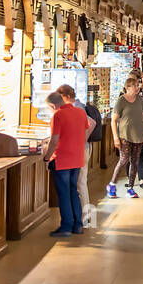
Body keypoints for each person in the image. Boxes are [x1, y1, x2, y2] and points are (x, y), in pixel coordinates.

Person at [43, 90, 89, 236]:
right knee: (73, 191)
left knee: (63, 194)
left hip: (62, 159)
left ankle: (66, 226)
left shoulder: (58, 116)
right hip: (77, 158)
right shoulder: (80, 113)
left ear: (53, 105)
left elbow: (54, 140)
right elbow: (86, 131)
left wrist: (46, 157)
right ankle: (78, 225)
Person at [58, 84, 100, 222]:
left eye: (61, 97)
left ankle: (84, 216)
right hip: (83, 148)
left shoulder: (77, 107)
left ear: (67, 96)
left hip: (81, 149)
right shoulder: (78, 105)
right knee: (81, 182)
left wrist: (82, 140)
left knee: (80, 182)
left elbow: (92, 123)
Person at [108, 75, 143, 198]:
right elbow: (113, 120)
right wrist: (115, 137)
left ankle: (130, 188)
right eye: (135, 85)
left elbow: (142, 117)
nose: (137, 87)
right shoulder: (121, 100)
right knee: (124, 160)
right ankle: (112, 184)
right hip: (125, 135)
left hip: (138, 135)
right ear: (127, 87)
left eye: (138, 85)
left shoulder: (140, 100)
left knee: (135, 162)